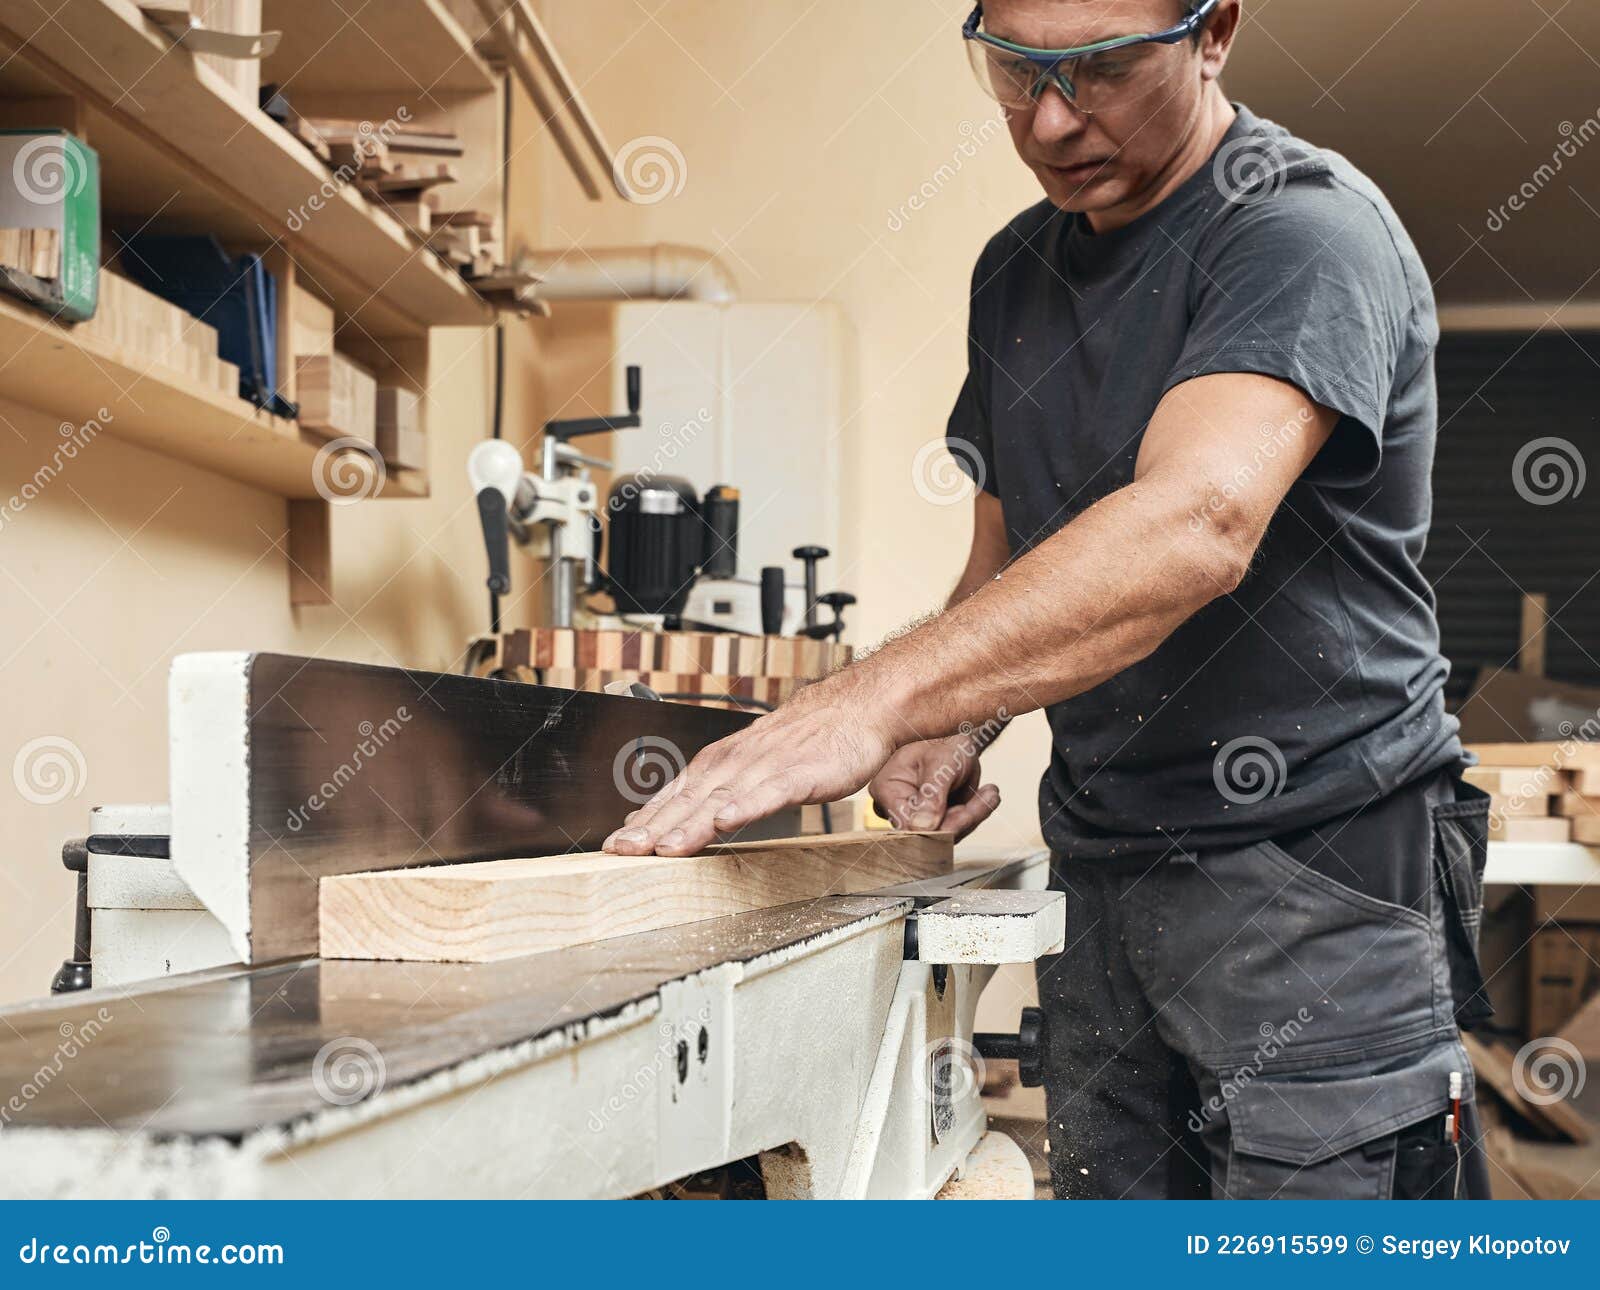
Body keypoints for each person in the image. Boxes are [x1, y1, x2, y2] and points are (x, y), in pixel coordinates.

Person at [604, 0, 1492, 1199]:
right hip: (1104, 866)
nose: (1054, 119)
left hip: (1313, 869)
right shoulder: (1017, 268)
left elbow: (1196, 524)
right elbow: (1011, 562)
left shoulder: (1300, 234)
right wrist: (943, 725)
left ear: (1214, 29)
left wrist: (864, 701)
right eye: (1015, 73)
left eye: (1105, 70)